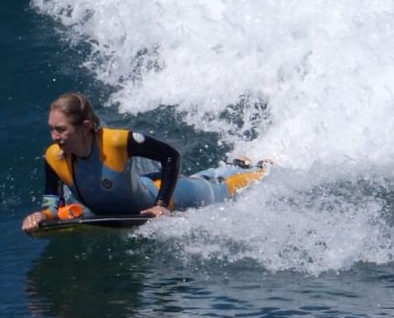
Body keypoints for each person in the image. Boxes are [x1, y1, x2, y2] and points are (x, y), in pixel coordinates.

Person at [21, 91, 242, 233]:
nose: (54, 137)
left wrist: (161, 205)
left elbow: (170, 156)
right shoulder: (53, 156)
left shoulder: (115, 141)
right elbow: (53, 199)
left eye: (61, 129)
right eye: (51, 129)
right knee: (208, 178)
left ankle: (251, 167)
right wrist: (43, 215)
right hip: (133, 189)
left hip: (168, 196)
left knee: (223, 187)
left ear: (86, 126)